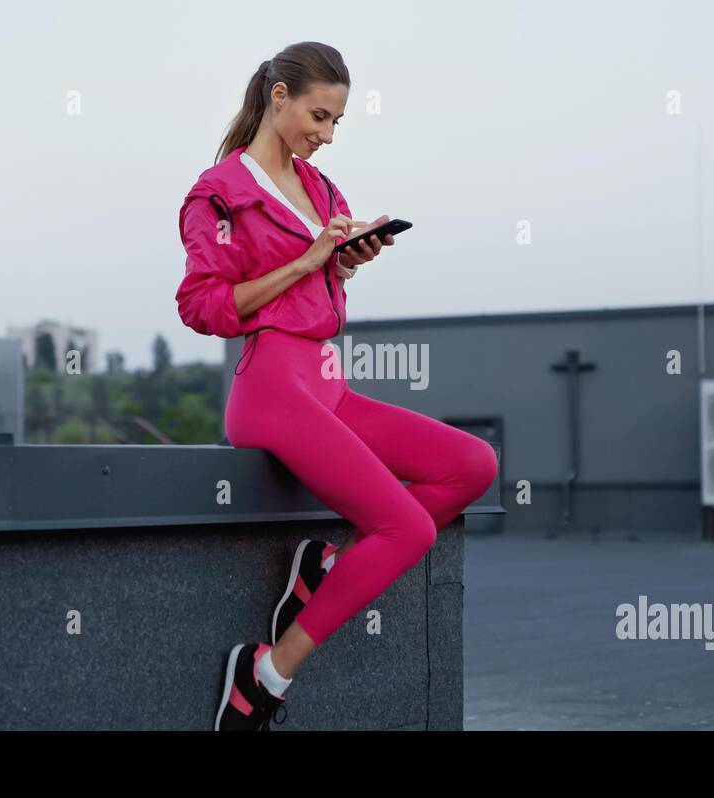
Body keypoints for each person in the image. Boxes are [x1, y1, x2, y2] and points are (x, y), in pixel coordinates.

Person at [175, 41, 498, 731]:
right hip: (271, 388)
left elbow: (320, 278)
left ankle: (318, 572)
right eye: (318, 116)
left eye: (337, 124)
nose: (325, 135)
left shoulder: (321, 190)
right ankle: (264, 674)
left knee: (473, 464)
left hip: (327, 384)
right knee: (406, 526)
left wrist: (346, 260)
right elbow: (204, 306)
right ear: (279, 96)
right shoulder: (217, 193)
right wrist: (307, 261)